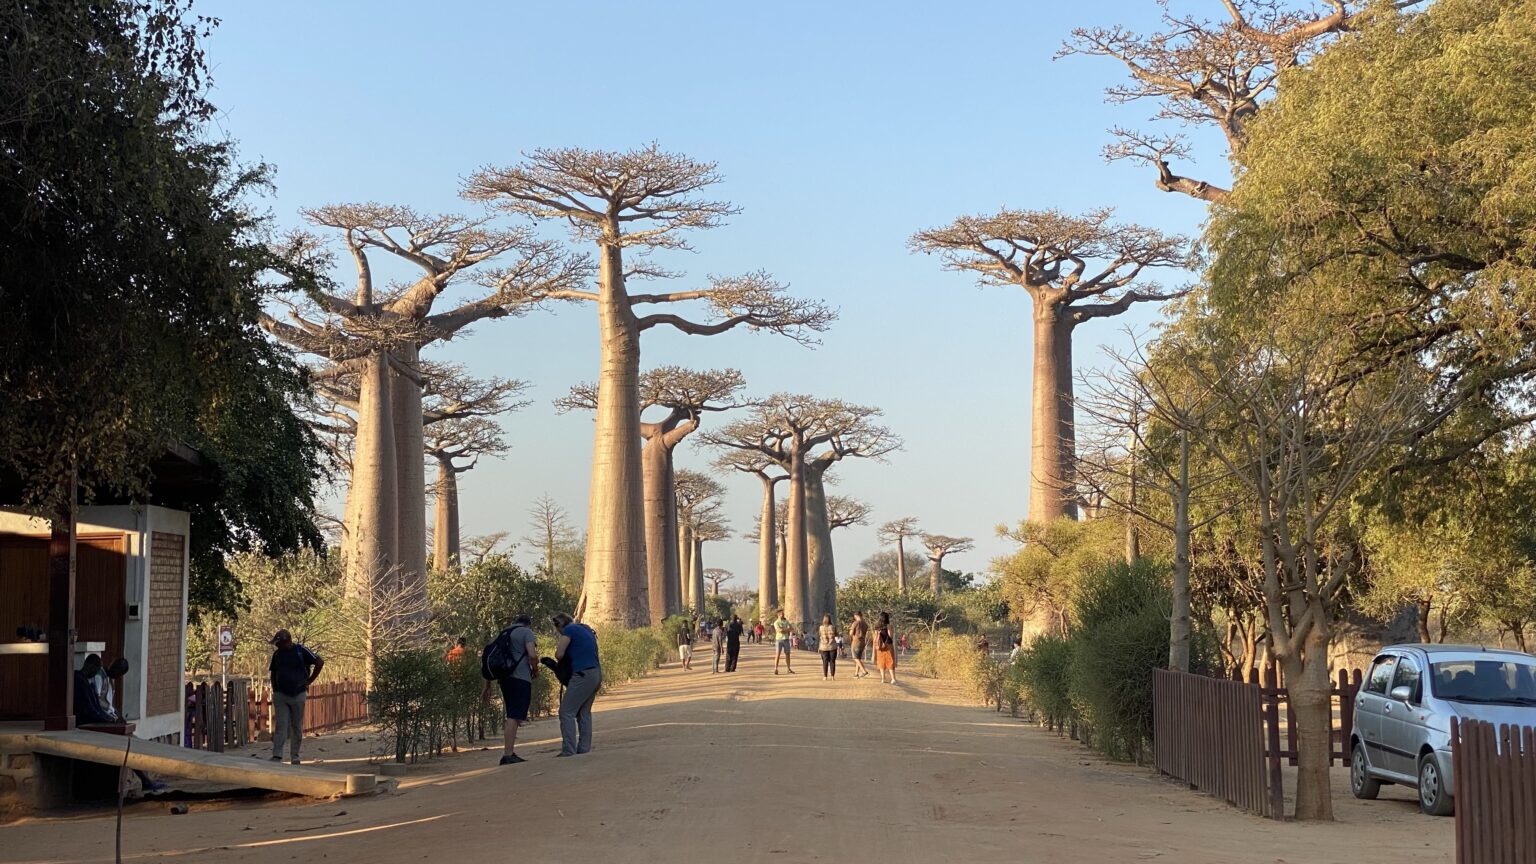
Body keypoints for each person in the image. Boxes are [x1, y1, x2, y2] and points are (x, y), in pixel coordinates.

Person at [479, 615, 538, 765]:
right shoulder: (526, 632)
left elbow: (491, 660)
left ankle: (509, 752)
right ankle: (508, 754)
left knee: (513, 713)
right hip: (520, 678)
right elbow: (532, 654)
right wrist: (535, 669)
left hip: (505, 679)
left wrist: (487, 686)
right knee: (513, 715)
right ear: (528, 624)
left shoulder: (503, 633)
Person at [268, 629, 323, 765]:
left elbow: (319, 662)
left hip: (298, 693)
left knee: (296, 726)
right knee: (281, 725)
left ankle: (295, 756)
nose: (277, 646)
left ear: (287, 642)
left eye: (279, 644)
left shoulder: (301, 651)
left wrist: (310, 680)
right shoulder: (277, 655)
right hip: (281, 695)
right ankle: (277, 755)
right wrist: (275, 691)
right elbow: (273, 672)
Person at [553, 612, 601, 757]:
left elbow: (559, 654)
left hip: (582, 674)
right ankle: (584, 748)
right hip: (596, 673)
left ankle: (568, 750)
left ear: (560, 625)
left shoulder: (568, 631)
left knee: (566, 712)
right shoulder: (586, 629)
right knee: (584, 712)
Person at [74, 655, 113, 725]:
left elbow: (97, 708)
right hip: (83, 722)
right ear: (90, 666)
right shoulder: (79, 680)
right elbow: (89, 708)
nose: (96, 672)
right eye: (96, 669)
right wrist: (105, 719)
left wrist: (108, 718)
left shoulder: (88, 683)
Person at [875, 613, 898, 685]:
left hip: (880, 646)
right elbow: (890, 635)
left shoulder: (877, 627)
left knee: (881, 661)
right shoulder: (888, 626)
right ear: (887, 618)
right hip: (888, 645)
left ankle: (883, 679)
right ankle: (893, 679)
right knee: (890, 661)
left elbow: (875, 637)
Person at [772, 610, 797, 675]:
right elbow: (779, 630)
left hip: (786, 639)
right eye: (781, 614)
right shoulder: (776, 622)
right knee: (778, 654)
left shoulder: (786, 621)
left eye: (783, 614)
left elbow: (791, 628)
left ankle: (788, 668)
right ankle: (776, 668)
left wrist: (784, 629)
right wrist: (787, 629)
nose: (783, 615)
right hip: (779, 640)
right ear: (778, 614)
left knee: (787, 654)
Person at [848, 610, 871, 679]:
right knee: (858, 658)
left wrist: (850, 629)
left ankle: (864, 671)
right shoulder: (865, 624)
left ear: (856, 616)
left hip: (856, 642)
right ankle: (856, 674)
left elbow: (851, 633)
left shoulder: (855, 623)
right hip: (862, 642)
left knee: (855, 658)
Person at [817, 615, 839, 679]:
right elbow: (836, 634)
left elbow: (819, 634)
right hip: (832, 646)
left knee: (825, 662)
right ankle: (832, 676)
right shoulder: (833, 627)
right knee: (832, 661)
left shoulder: (821, 627)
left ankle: (825, 676)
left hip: (823, 647)